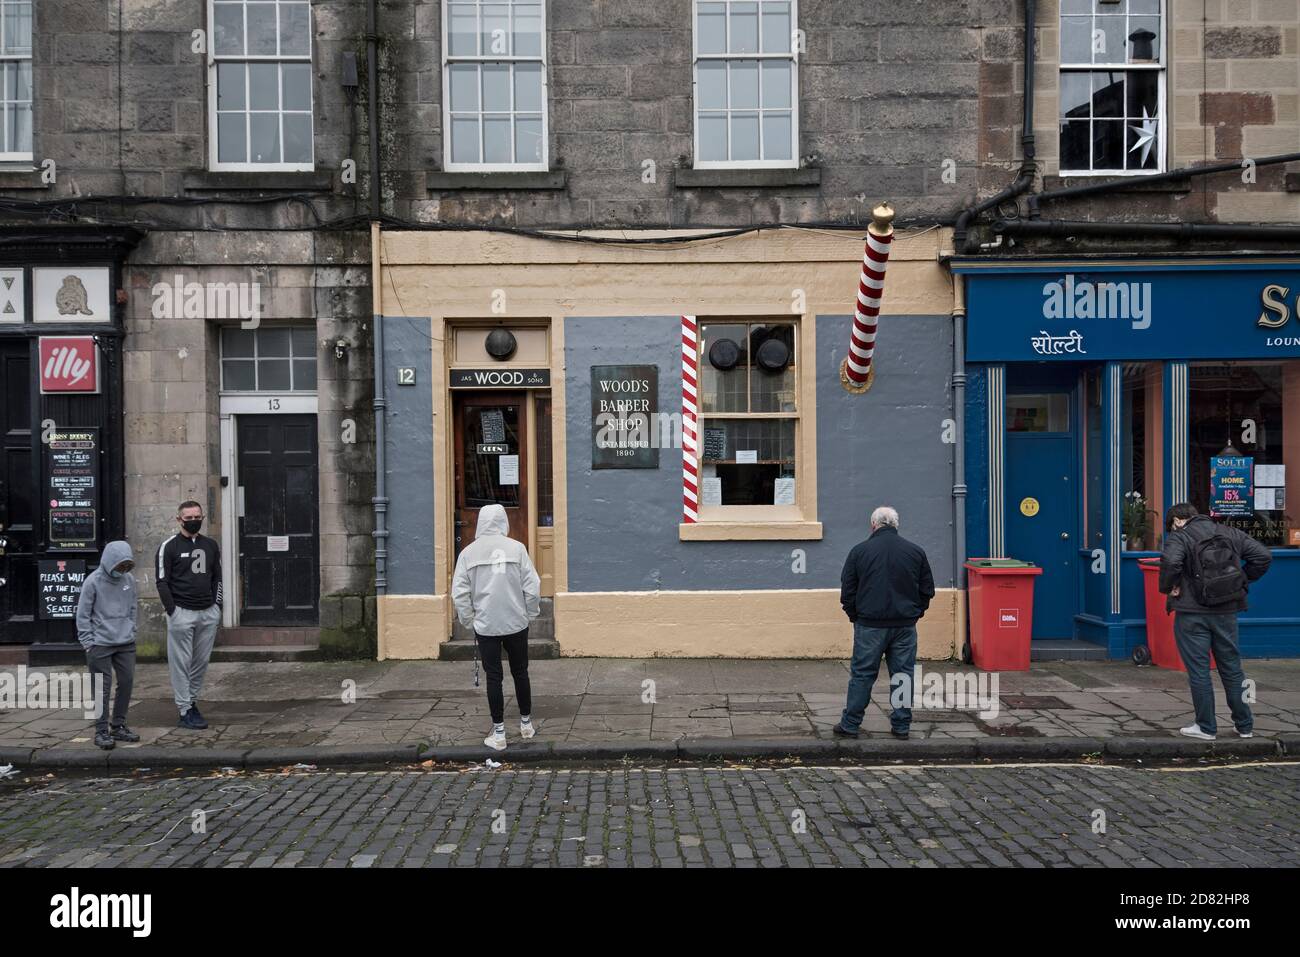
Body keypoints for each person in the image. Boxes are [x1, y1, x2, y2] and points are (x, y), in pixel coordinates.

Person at [1157, 502, 1271, 740]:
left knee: (1199, 671)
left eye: (1172, 526)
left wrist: (1169, 587)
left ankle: (1206, 727)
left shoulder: (1181, 537)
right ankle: (1245, 725)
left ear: (1177, 521)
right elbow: (1263, 556)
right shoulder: (1229, 532)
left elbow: (1170, 562)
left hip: (1191, 613)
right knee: (1232, 668)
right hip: (1226, 611)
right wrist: (1240, 580)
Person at [833, 506, 935, 741]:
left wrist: (855, 616)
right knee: (903, 675)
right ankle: (901, 726)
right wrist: (915, 613)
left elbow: (847, 590)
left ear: (873, 525)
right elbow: (926, 589)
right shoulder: (915, 552)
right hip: (904, 625)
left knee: (862, 674)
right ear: (896, 525)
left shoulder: (859, 551)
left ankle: (850, 724)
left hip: (869, 624)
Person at [452, 503, 541, 751]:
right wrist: (530, 612)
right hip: (515, 621)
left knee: (494, 677)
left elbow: (459, 592)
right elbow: (532, 586)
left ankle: (499, 732)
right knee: (520, 672)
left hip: (487, 624)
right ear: (503, 522)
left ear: (481, 522)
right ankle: (526, 724)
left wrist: (469, 619)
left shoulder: (469, 553)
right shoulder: (517, 548)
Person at [155, 500, 223, 730]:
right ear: (179, 519)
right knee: (180, 663)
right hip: (182, 612)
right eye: (189, 517)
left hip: (207, 612)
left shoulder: (211, 545)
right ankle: (184, 709)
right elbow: (162, 581)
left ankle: (192, 702)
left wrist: (217, 606)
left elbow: (217, 577)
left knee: (200, 662)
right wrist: (172, 610)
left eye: (198, 517)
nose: (194, 521)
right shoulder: (169, 547)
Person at [76, 540, 141, 750]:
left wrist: (131, 629)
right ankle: (101, 730)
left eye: (125, 565)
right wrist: (88, 642)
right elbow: (83, 614)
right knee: (101, 688)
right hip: (100, 644)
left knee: (127, 681)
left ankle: (119, 726)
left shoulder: (128, 579)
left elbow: (132, 607)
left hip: (125, 642)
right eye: (118, 565)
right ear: (108, 561)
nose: (121, 570)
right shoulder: (92, 582)